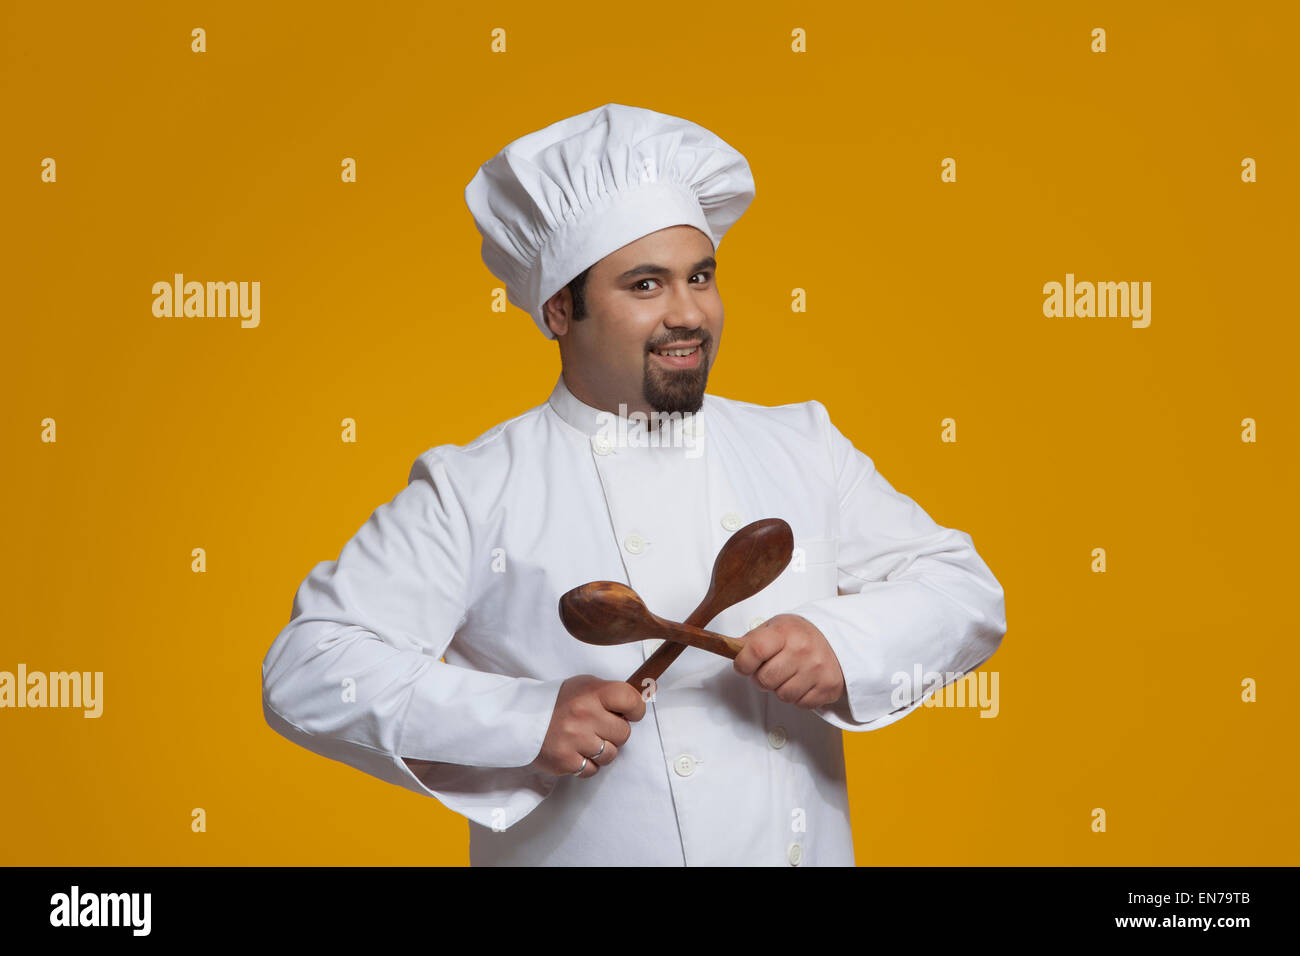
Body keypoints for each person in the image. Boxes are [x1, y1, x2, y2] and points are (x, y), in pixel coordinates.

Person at [261, 102, 1008, 866]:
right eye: (645, 285)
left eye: (701, 277)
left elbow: (964, 589)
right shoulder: (476, 487)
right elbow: (310, 666)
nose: (688, 314)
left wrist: (844, 644)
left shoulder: (801, 444)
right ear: (560, 309)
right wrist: (523, 719)